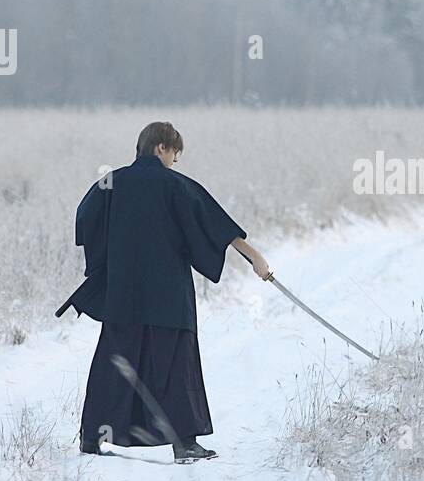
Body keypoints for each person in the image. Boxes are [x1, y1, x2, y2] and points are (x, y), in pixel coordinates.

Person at [56, 121, 270, 463]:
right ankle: (184, 444)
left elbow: (84, 217)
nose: (174, 162)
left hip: (123, 293)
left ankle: (93, 439)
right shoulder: (175, 185)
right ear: (161, 148)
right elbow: (214, 225)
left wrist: (108, 258)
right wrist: (256, 258)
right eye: (174, 154)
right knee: (175, 366)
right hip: (167, 295)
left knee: (114, 362)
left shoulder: (111, 182)